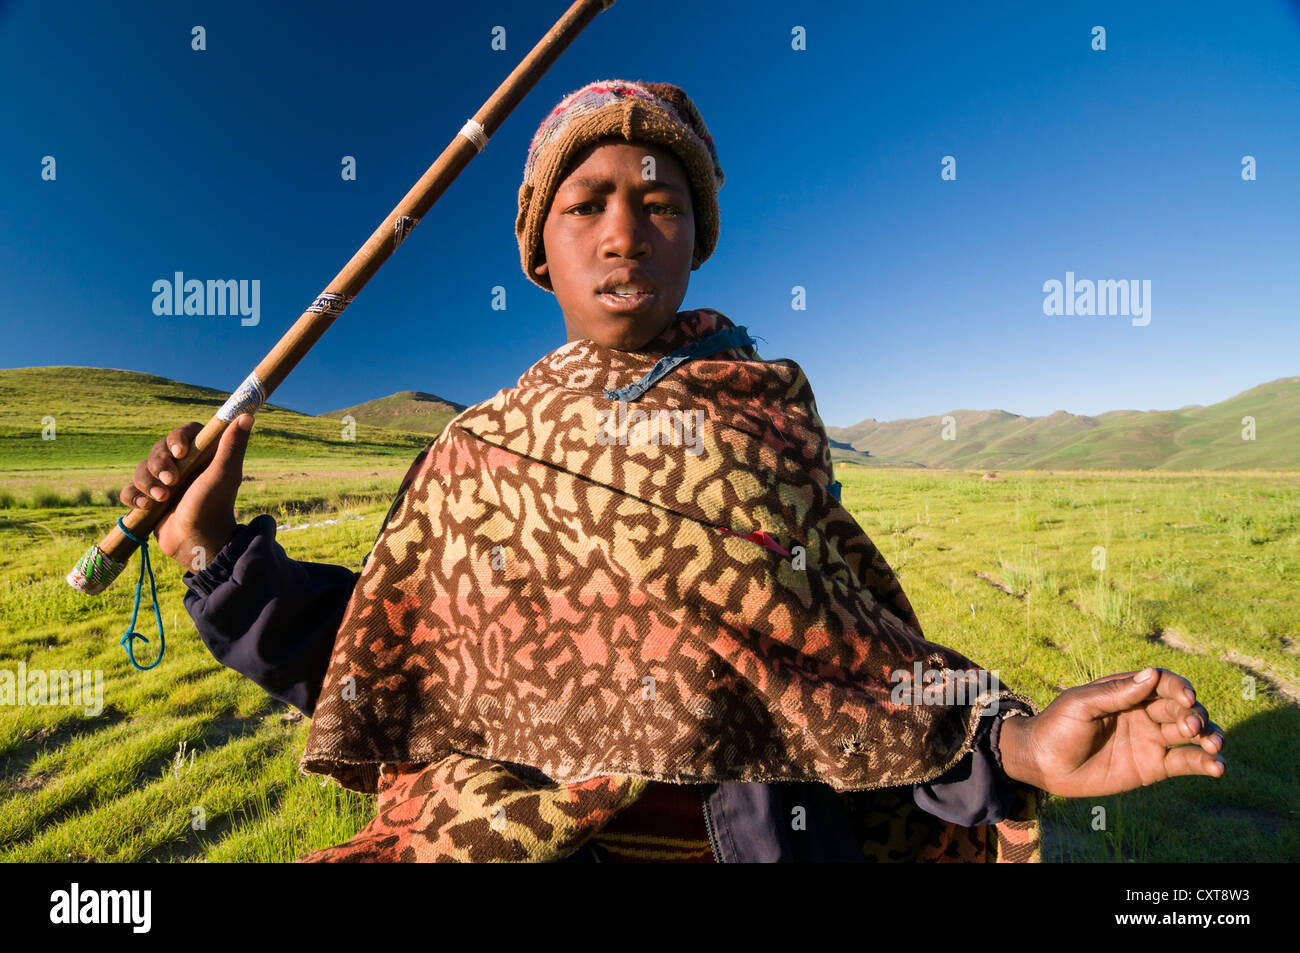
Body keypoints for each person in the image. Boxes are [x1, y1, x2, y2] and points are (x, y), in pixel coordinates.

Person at [122, 80, 1225, 863]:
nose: (621, 233)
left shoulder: (767, 425)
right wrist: (214, 553)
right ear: (536, 248)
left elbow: (849, 676)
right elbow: (380, 660)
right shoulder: (477, 454)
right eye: (585, 203)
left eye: (658, 203)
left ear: (697, 234)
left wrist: (1023, 743)